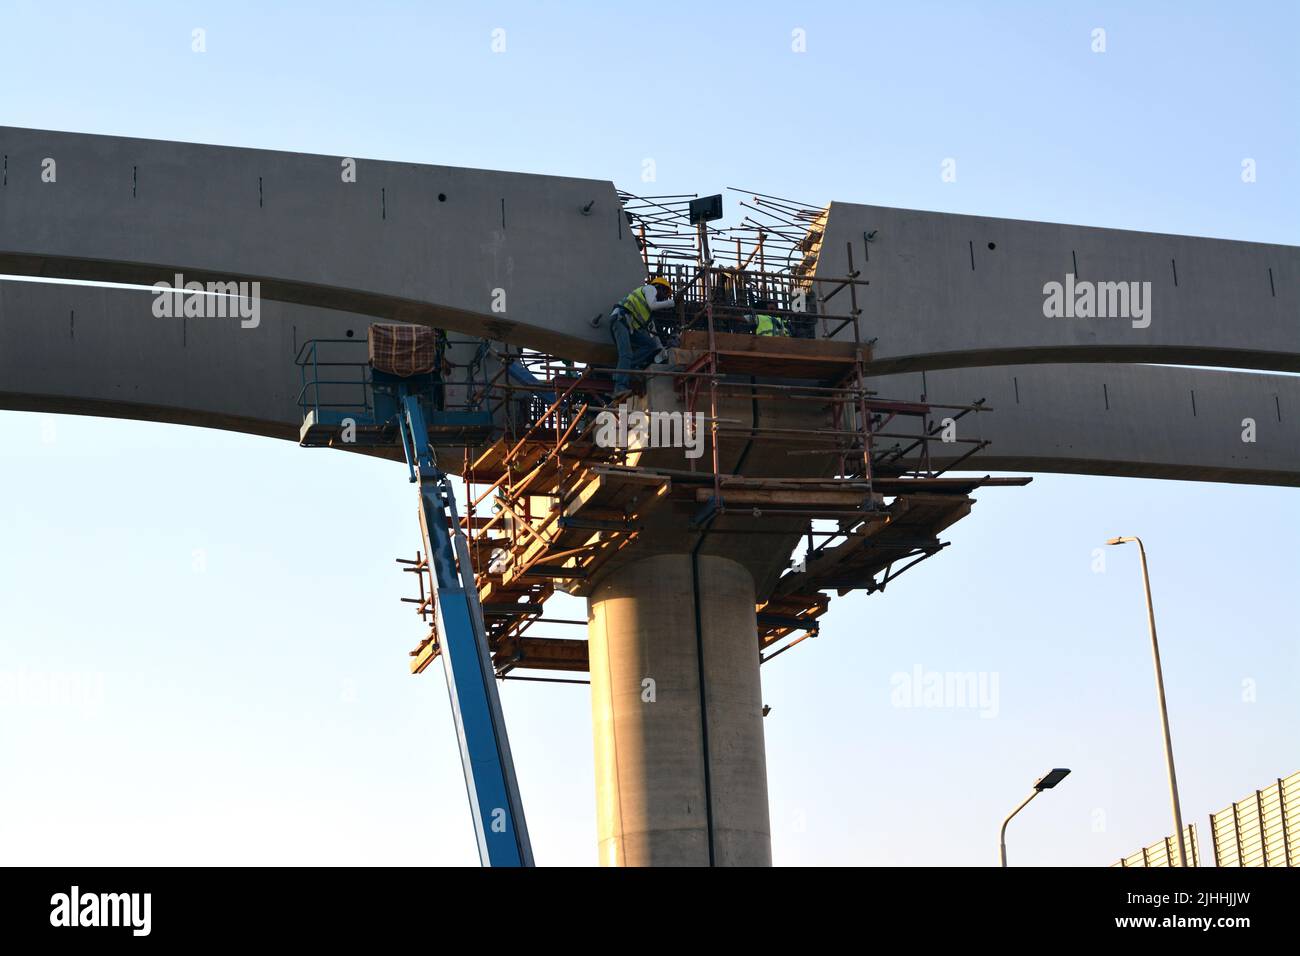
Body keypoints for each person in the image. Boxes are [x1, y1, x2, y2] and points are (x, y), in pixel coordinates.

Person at [609, 276, 674, 394]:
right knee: (626, 353)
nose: (665, 297)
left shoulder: (649, 314)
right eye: (665, 292)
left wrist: (662, 350)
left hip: (628, 326)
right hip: (620, 320)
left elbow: (655, 337)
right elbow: (653, 305)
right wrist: (669, 303)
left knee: (650, 345)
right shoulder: (650, 289)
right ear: (659, 287)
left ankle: (627, 368)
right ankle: (619, 386)